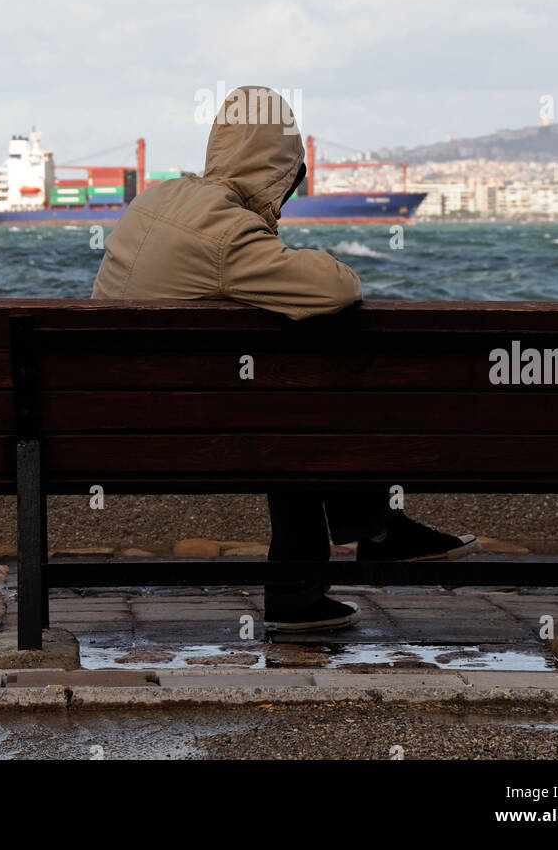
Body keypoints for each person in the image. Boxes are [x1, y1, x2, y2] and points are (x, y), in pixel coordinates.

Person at [91, 85, 477, 632]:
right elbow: (339, 288)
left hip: (98, 425)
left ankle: (331, 571)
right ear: (279, 171)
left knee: (283, 402)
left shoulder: (153, 201)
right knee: (298, 398)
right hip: (167, 435)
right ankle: (370, 540)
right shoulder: (229, 234)